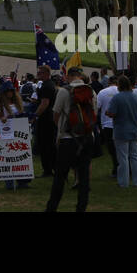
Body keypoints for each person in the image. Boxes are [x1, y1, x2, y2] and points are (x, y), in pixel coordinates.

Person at [45, 67, 96, 213]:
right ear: (80, 76)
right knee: (84, 176)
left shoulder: (64, 91)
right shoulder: (91, 91)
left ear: (68, 77)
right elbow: (94, 113)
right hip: (87, 137)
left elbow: (55, 115)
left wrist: (62, 128)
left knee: (60, 177)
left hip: (68, 138)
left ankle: (52, 207)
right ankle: (81, 208)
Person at [107, 75, 137, 188]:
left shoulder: (117, 98)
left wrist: (108, 113)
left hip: (121, 130)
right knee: (135, 156)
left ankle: (123, 182)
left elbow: (111, 113)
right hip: (134, 129)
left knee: (123, 157)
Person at [0, 80, 30, 190]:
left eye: (11, 91)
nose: (10, 93)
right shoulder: (0, 106)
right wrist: (2, 119)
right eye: (8, 91)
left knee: (21, 158)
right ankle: (9, 183)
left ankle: (23, 182)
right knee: (8, 158)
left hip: (19, 134)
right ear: (4, 93)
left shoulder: (18, 103)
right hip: (7, 135)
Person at [33, 66, 58, 178]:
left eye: (40, 73)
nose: (38, 74)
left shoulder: (47, 86)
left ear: (47, 73)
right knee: (49, 144)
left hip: (45, 119)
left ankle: (48, 170)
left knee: (45, 144)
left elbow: (44, 103)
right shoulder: (49, 84)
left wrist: (35, 115)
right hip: (50, 118)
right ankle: (52, 168)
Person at [96, 75, 119, 177]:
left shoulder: (102, 92)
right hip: (119, 123)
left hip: (107, 124)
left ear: (109, 82)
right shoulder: (121, 91)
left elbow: (97, 107)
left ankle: (116, 168)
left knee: (112, 148)